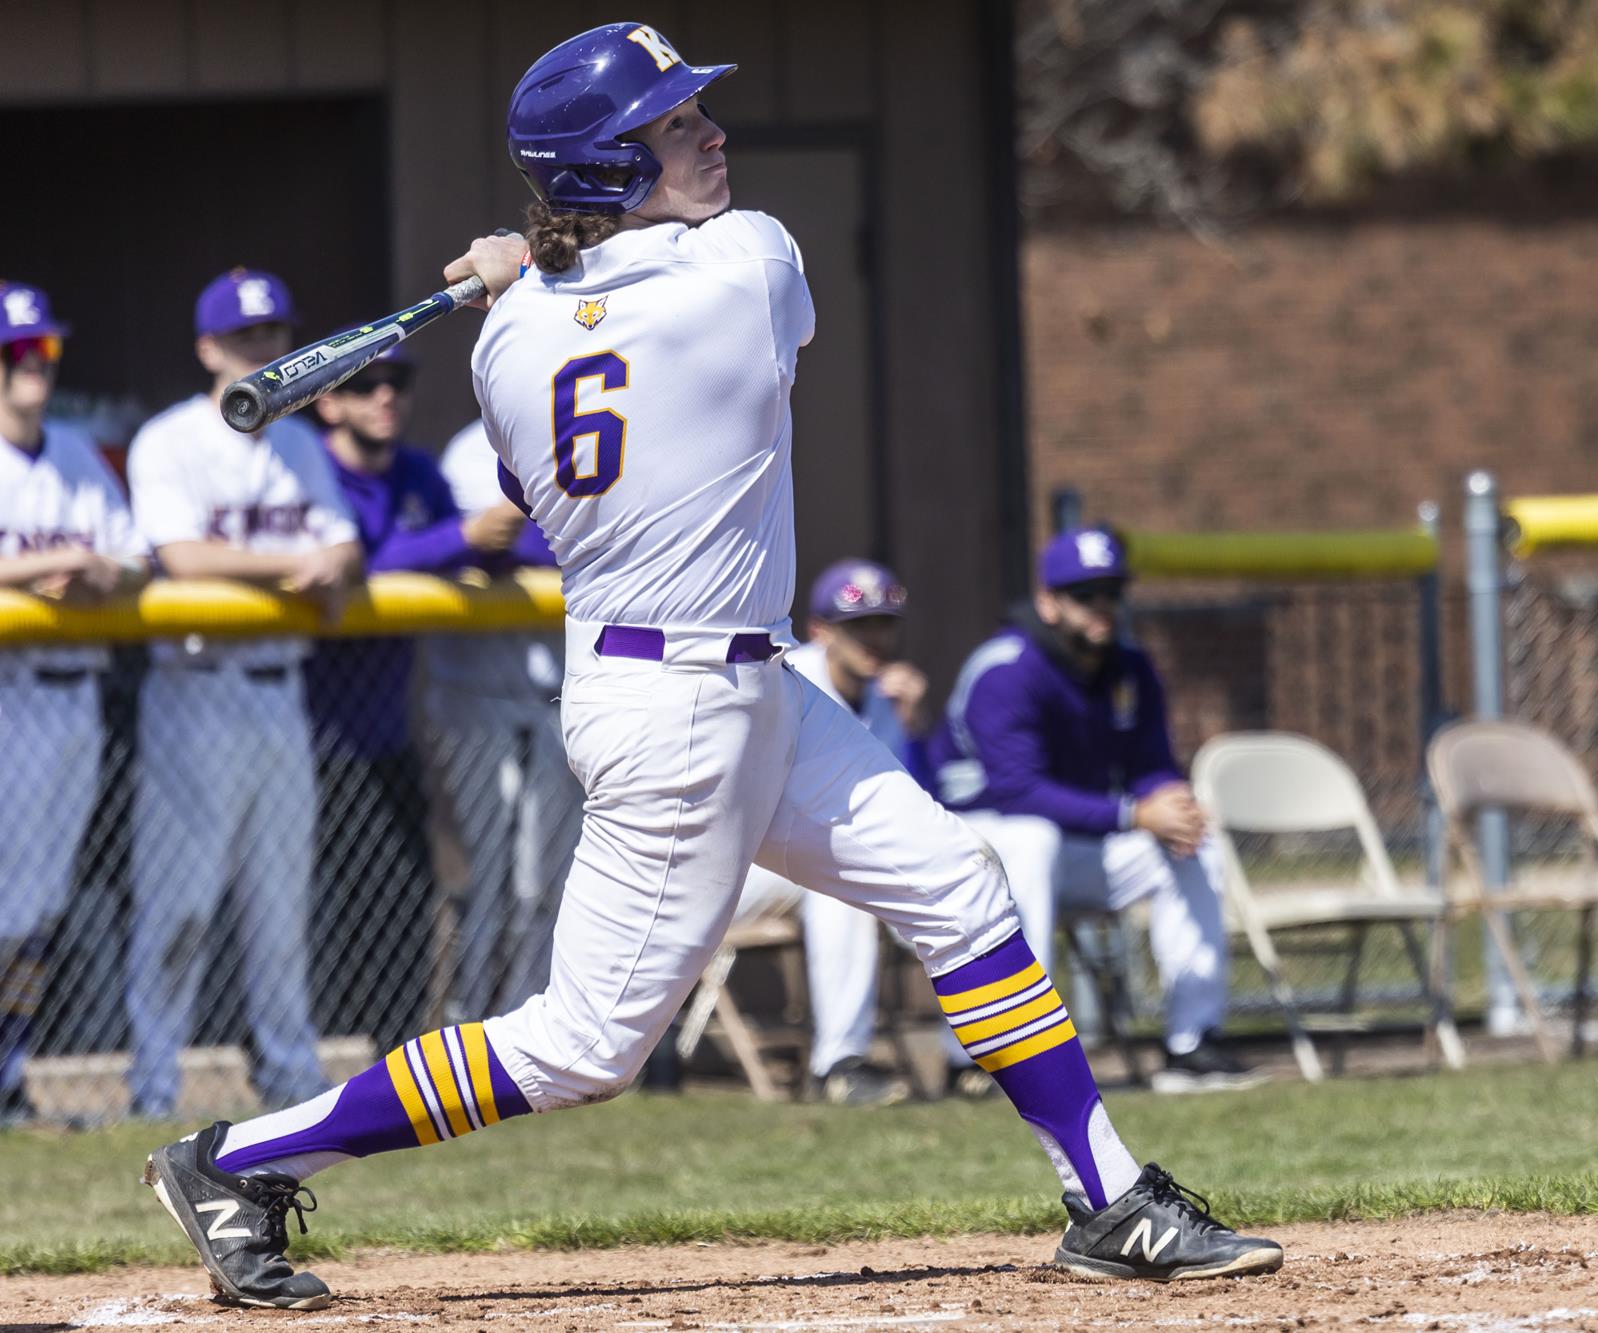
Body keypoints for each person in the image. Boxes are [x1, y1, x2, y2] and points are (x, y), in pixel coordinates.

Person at [139, 25, 1280, 1311]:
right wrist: (549, 266)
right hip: (676, 713)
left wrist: (530, 277)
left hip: (744, 685)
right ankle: (233, 1159)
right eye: (677, 127)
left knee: (956, 885)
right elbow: (663, 315)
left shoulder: (500, 346)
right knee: (582, 1046)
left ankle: (1105, 1197)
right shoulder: (749, 264)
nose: (712, 136)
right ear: (610, 170)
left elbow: (537, 464)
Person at [122, 268, 361, 1120]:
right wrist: (295, 569)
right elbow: (181, 557)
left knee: (279, 902)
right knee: (178, 904)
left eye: (274, 334)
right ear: (208, 348)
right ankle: (154, 1085)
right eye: (247, 337)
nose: (266, 349)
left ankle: (292, 1080)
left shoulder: (299, 442)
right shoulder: (169, 439)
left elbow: (342, 548)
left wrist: (325, 563)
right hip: (195, 688)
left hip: (277, 690)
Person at [928, 528, 1257, 1094]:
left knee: (1193, 846)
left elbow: (1149, 761)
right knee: (1034, 838)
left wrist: (1170, 802)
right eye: (1084, 594)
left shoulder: (1128, 668)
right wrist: (1134, 814)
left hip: (1070, 839)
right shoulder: (1006, 668)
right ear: (1048, 602)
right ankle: (1013, 1052)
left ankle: (1194, 1041)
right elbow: (1018, 792)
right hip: (974, 843)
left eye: (1111, 591)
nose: (1102, 606)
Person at [305, 349, 520, 1052]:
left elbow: (471, 553)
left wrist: (487, 542)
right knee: (307, 912)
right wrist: (460, 536)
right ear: (329, 401)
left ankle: (396, 1056)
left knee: (401, 897)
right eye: (365, 384)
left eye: (397, 380)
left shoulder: (418, 472)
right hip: (303, 728)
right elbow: (367, 561)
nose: (385, 396)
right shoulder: (313, 467)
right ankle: (296, 1061)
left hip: (386, 731)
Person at [0, 282, 147, 1121]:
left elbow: (134, 560)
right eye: (19, 352)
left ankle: (10, 1075)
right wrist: (38, 570)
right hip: (9, 697)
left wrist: (99, 571)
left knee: (43, 900)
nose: (35, 367)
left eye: (45, 350)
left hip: (74, 696)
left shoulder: (78, 453)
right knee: (7, 901)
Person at [730, 558, 929, 1107]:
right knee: (842, 885)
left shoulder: (886, 699)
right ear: (820, 631)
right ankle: (840, 1064)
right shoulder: (788, 677)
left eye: (883, 623)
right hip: (736, 862)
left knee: (852, 879)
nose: (875, 638)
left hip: (805, 860)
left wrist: (913, 727)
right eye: (857, 625)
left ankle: (976, 1054)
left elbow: (910, 802)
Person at [424, 417, 577, 1023]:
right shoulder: (470, 448)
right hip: (478, 698)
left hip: (557, 697)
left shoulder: (578, 427)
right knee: (486, 882)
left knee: (545, 882)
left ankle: (532, 1018)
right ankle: (467, 1022)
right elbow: (482, 543)